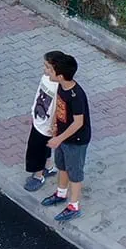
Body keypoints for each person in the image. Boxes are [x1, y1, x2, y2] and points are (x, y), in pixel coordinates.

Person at [40, 52, 91, 222]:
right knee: (62, 165)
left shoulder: (76, 96)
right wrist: (55, 123)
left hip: (75, 141)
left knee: (74, 173)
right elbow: (59, 106)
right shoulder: (62, 86)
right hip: (62, 135)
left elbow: (78, 123)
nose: (46, 71)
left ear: (60, 75)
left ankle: (74, 205)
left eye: (49, 69)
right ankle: (61, 193)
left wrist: (59, 138)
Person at [24, 51, 63, 192]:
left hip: (46, 125)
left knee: (36, 150)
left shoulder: (58, 87)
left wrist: (54, 125)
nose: (44, 69)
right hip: (39, 119)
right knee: (44, 147)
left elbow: (56, 109)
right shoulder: (46, 78)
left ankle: (38, 176)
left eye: (47, 67)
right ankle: (49, 167)